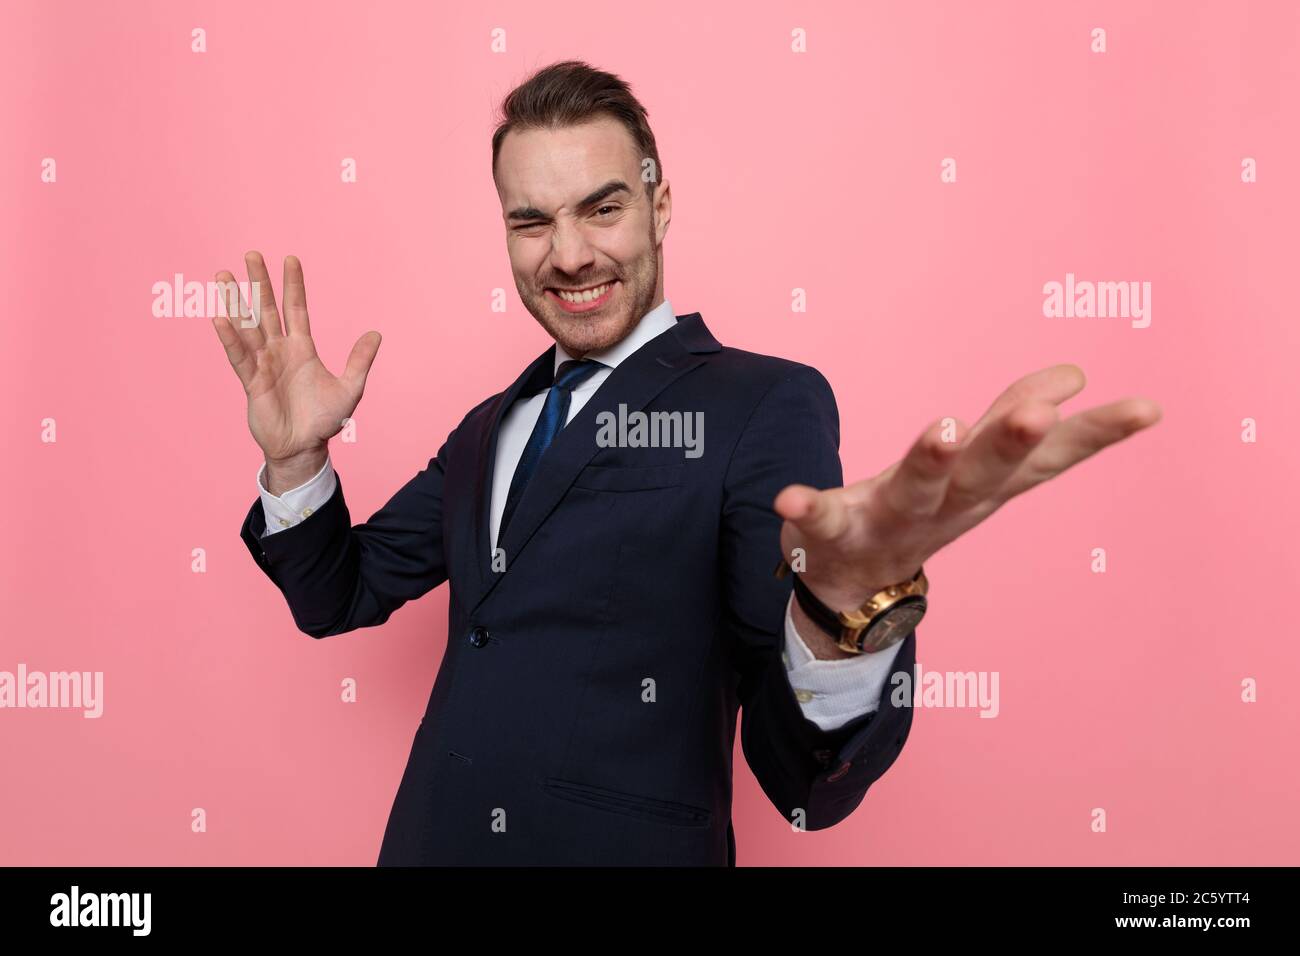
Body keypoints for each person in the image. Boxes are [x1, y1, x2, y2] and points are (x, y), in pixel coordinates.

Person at [210, 60, 1161, 866]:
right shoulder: (488, 427)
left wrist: (841, 616)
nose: (570, 254)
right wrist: (297, 459)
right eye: (531, 221)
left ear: (661, 206)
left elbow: (802, 776)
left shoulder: (762, 402)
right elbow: (339, 596)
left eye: (603, 207)